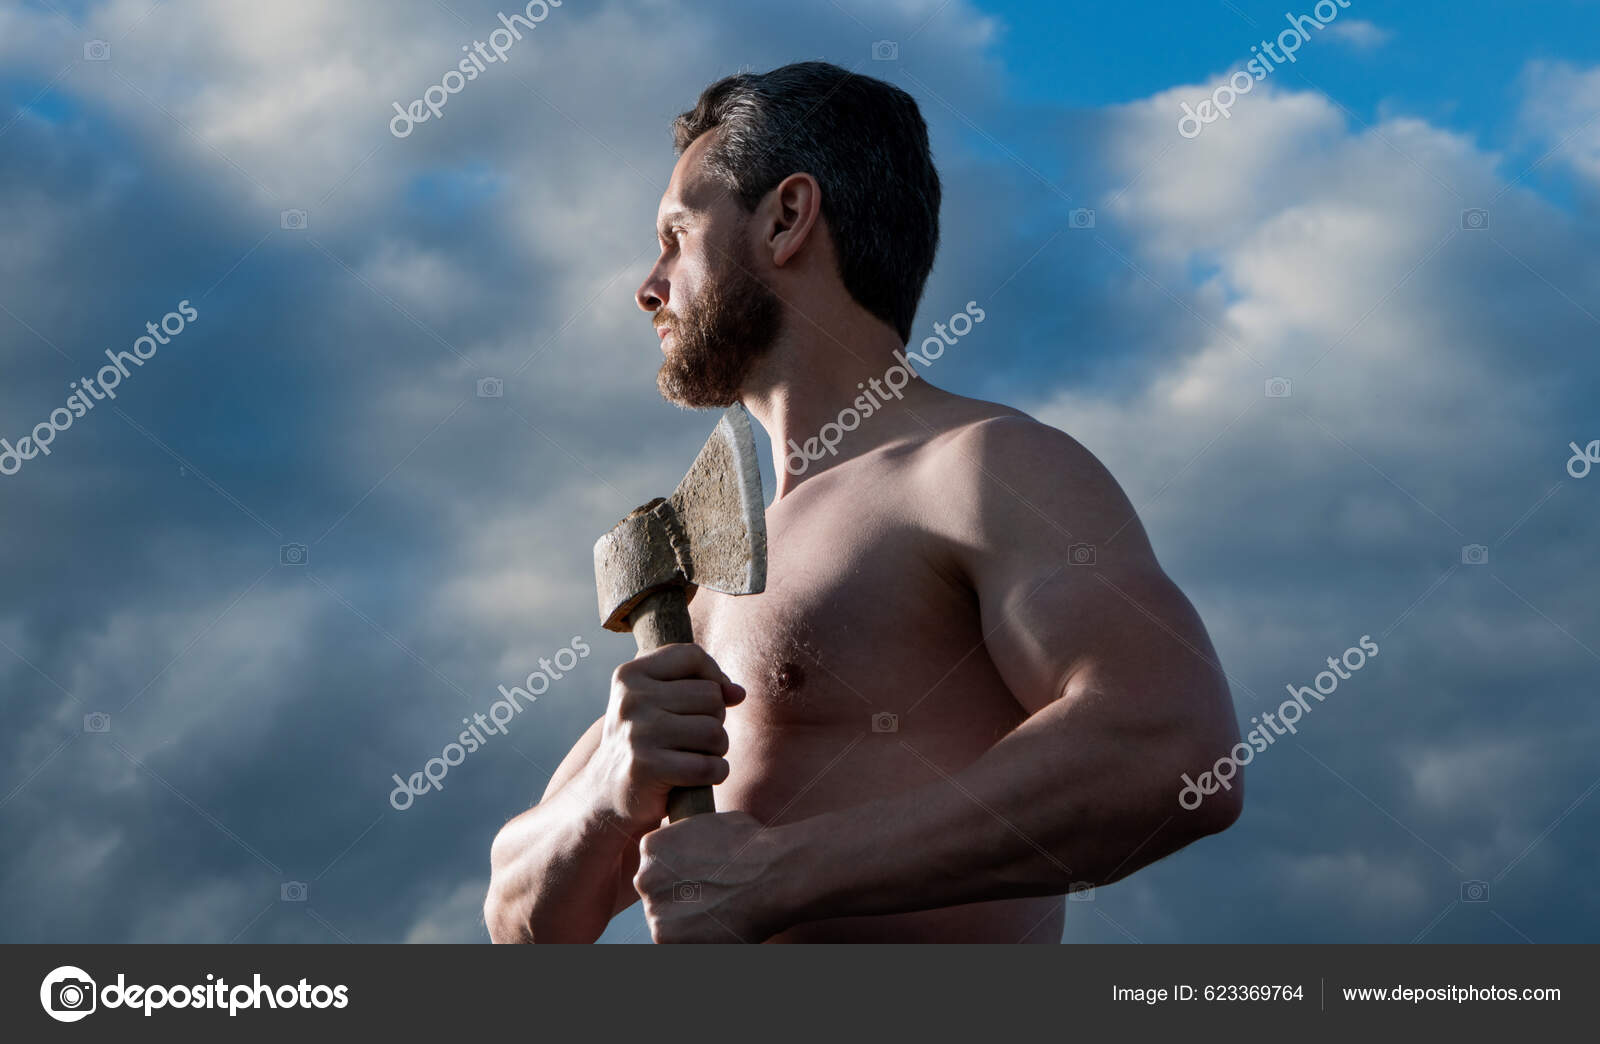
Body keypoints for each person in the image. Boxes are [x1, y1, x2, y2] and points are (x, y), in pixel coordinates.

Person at [485, 61, 1242, 943]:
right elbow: (518, 922)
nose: (648, 285)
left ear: (786, 218)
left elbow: (1173, 745)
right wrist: (608, 796)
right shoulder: (715, 575)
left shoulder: (980, 467)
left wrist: (783, 874)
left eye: (676, 236)